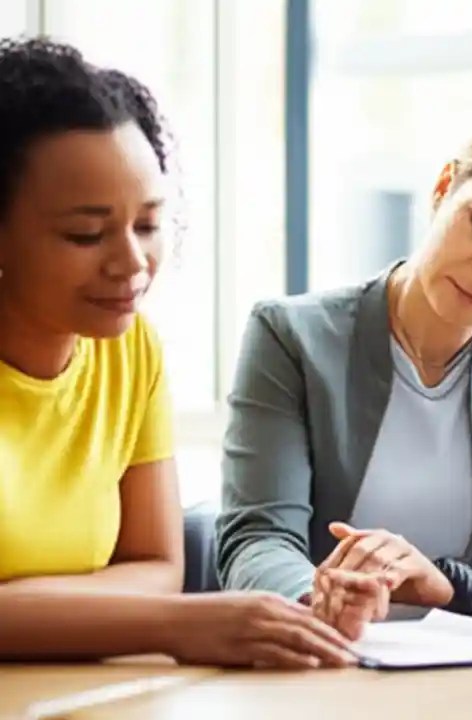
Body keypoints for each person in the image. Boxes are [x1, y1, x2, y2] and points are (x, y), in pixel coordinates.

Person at [0, 37, 354, 668]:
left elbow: (156, 565)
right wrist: (173, 624)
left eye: (147, 224)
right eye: (85, 233)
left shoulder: (130, 349)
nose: (132, 264)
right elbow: (160, 597)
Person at [216, 115, 472, 641]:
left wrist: (450, 585)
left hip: (465, 662)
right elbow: (256, 536)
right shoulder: (290, 335)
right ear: (444, 188)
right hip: (316, 650)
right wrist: (322, 598)